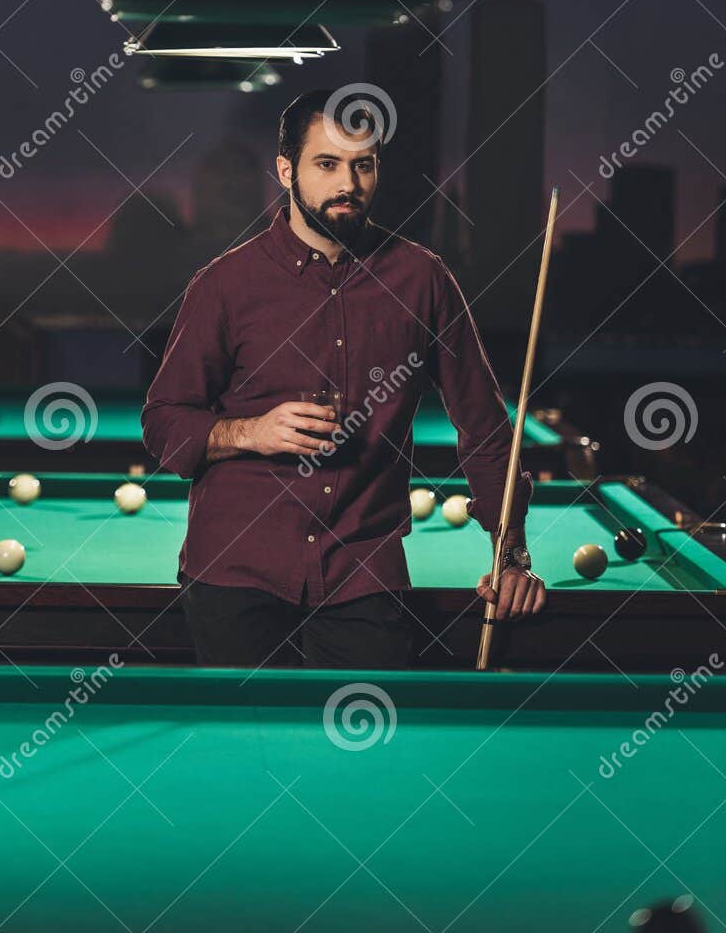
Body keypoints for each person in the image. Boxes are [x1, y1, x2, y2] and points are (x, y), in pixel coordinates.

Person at [142, 88, 546, 668]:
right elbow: (162, 425)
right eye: (326, 164)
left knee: (369, 753)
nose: (348, 184)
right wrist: (250, 432)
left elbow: (484, 429)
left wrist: (512, 555)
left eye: (363, 165)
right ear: (287, 171)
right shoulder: (224, 284)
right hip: (236, 568)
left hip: (363, 572)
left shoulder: (422, 280)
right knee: (245, 753)